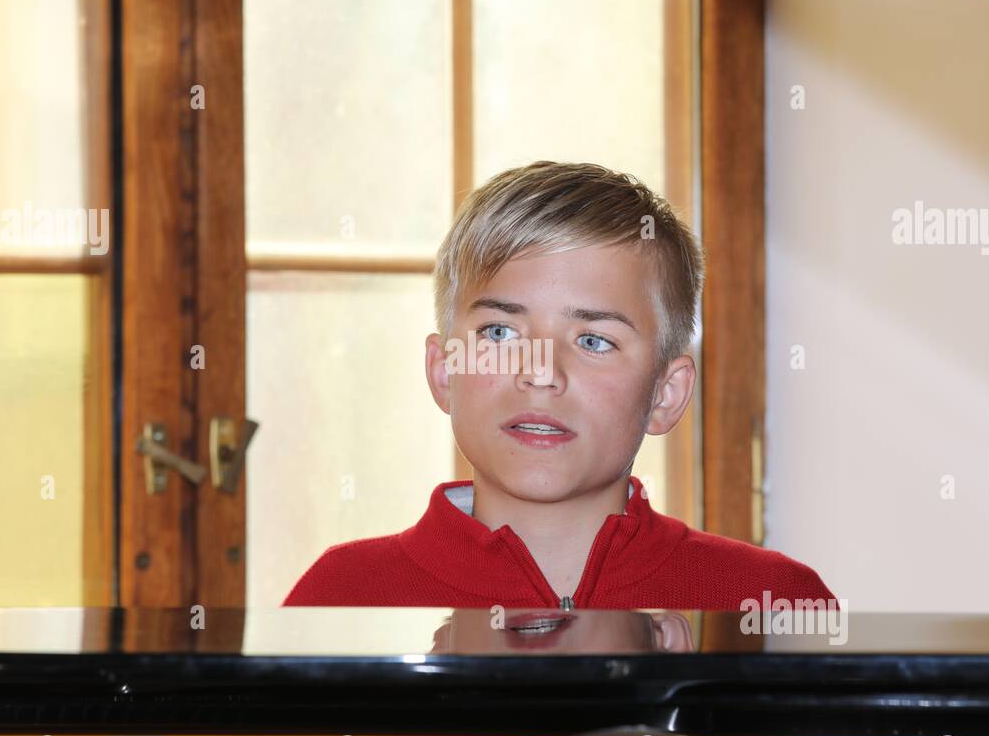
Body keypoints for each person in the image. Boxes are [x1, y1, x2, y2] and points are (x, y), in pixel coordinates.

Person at [284, 161, 836, 610]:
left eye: (594, 340)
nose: (541, 370)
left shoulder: (772, 606)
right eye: (500, 332)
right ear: (445, 369)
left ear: (665, 395)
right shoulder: (338, 599)